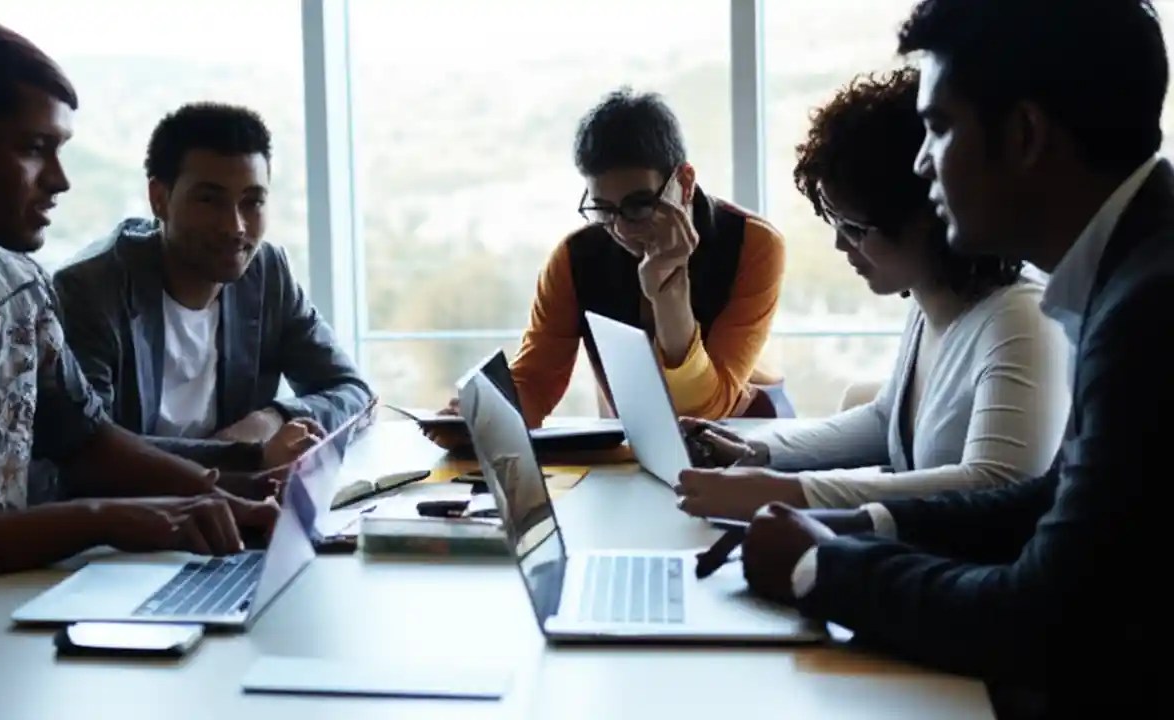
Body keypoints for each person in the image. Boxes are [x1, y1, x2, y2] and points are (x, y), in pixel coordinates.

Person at [721, 1, 1167, 715]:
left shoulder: (1149, 307)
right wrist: (854, 528)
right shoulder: (1130, 272)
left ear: (1023, 135)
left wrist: (819, 566)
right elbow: (1049, 498)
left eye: (938, 127)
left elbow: (1041, 617)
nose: (922, 161)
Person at [0, 17, 279, 623]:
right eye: (33, 149)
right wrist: (102, 520)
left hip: (2, 617)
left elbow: (86, 439)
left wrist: (224, 495)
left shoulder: (21, 287)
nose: (59, 180)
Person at [675, 67, 1070, 522]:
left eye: (856, 228)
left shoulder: (1020, 320)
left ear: (928, 216)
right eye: (834, 220)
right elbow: (886, 421)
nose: (841, 244)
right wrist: (756, 450)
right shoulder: (931, 304)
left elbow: (994, 483)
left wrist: (792, 492)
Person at [432, 88, 787, 440]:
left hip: (751, 436)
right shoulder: (575, 258)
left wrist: (669, 296)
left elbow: (704, 411)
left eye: (639, 205)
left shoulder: (753, 244)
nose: (621, 229)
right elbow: (536, 382)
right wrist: (484, 414)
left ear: (684, 182)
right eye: (603, 208)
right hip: (644, 444)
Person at [54, 103, 373, 472]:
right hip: (137, 507)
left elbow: (354, 393)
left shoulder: (268, 275)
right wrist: (245, 454)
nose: (235, 226)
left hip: (242, 503)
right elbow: (92, 452)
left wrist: (273, 418)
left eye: (252, 202)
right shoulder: (90, 291)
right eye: (210, 200)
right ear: (159, 199)